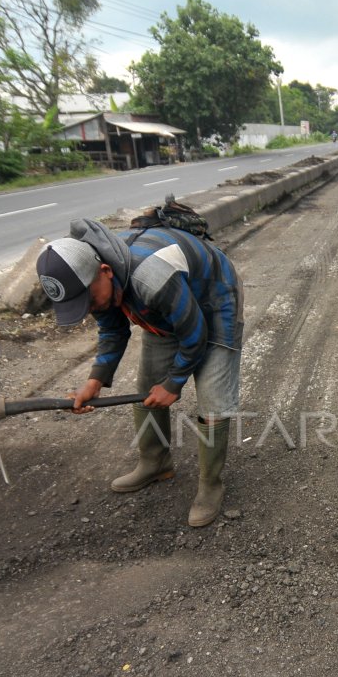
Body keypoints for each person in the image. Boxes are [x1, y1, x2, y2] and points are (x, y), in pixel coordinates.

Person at [36, 217, 243, 528]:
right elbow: (112, 330)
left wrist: (174, 383)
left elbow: (195, 334)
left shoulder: (149, 276)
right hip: (171, 304)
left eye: (90, 300)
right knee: (148, 387)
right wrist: (94, 381)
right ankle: (156, 462)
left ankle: (211, 486)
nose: (91, 308)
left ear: (105, 271)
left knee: (213, 402)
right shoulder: (97, 278)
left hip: (213, 299)